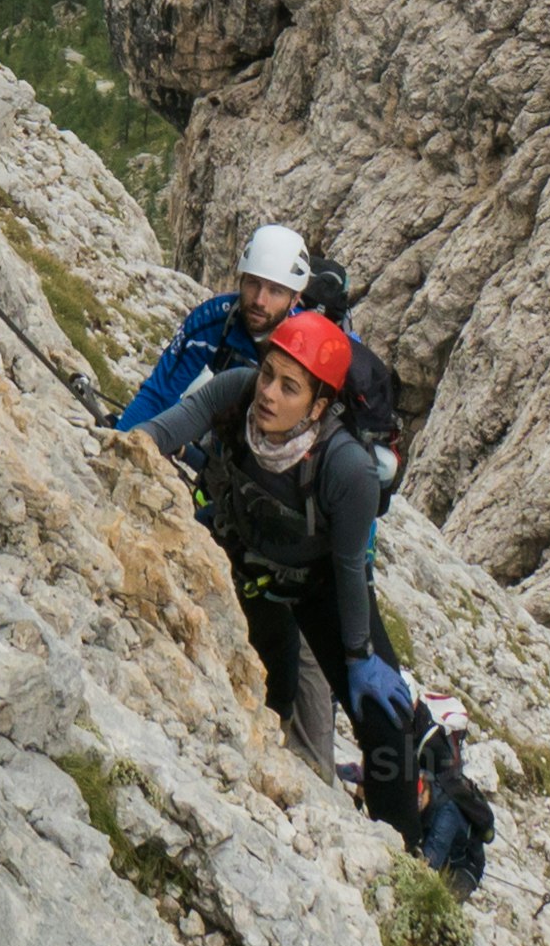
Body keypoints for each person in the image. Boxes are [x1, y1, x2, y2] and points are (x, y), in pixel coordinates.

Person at [133, 307, 393, 783]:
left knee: (367, 710)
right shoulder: (237, 392)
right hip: (244, 559)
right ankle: (279, 756)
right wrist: (122, 444)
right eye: (267, 375)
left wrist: (359, 656)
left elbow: (351, 565)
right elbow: (165, 428)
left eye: (288, 386)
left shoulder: (348, 467)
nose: (268, 394)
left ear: (318, 406)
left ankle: (347, 791)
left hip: (313, 584)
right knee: (277, 675)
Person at [110, 220, 324, 432]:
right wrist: (121, 437)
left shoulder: (310, 347)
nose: (260, 300)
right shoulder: (212, 320)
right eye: (253, 283)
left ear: (295, 300)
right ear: (241, 281)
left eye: (275, 291)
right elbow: (159, 394)